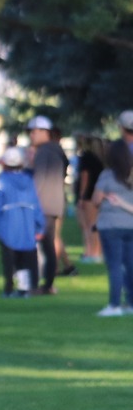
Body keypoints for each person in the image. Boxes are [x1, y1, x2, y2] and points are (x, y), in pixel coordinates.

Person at [0, 146, 46, 298]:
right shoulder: (29, 181)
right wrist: (40, 227)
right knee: (25, 258)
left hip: (8, 224)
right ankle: (24, 289)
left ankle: (8, 288)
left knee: (9, 259)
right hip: (27, 224)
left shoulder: (1, 181)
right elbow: (36, 205)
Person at [27, 116, 69, 292]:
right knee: (48, 245)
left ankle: (37, 284)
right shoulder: (57, 150)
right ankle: (49, 284)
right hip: (54, 204)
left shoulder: (44, 152)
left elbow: (39, 179)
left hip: (41, 205)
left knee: (36, 246)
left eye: (34, 131)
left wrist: (29, 202)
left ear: (44, 132)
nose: (31, 135)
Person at [94, 138, 133, 317]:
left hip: (110, 224)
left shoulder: (107, 175)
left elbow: (96, 199)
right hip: (130, 225)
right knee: (130, 264)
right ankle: (131, 302)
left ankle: (114, 304)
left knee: (115, 265)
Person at [73, 134, 106, 264]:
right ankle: (93, 251)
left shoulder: (86, 157)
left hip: (88, 195)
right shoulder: (100, 160)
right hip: (96, 193)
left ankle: (93, 252)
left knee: (89, 225)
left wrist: (81, 195)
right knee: (93, 224)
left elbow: (85, 177)